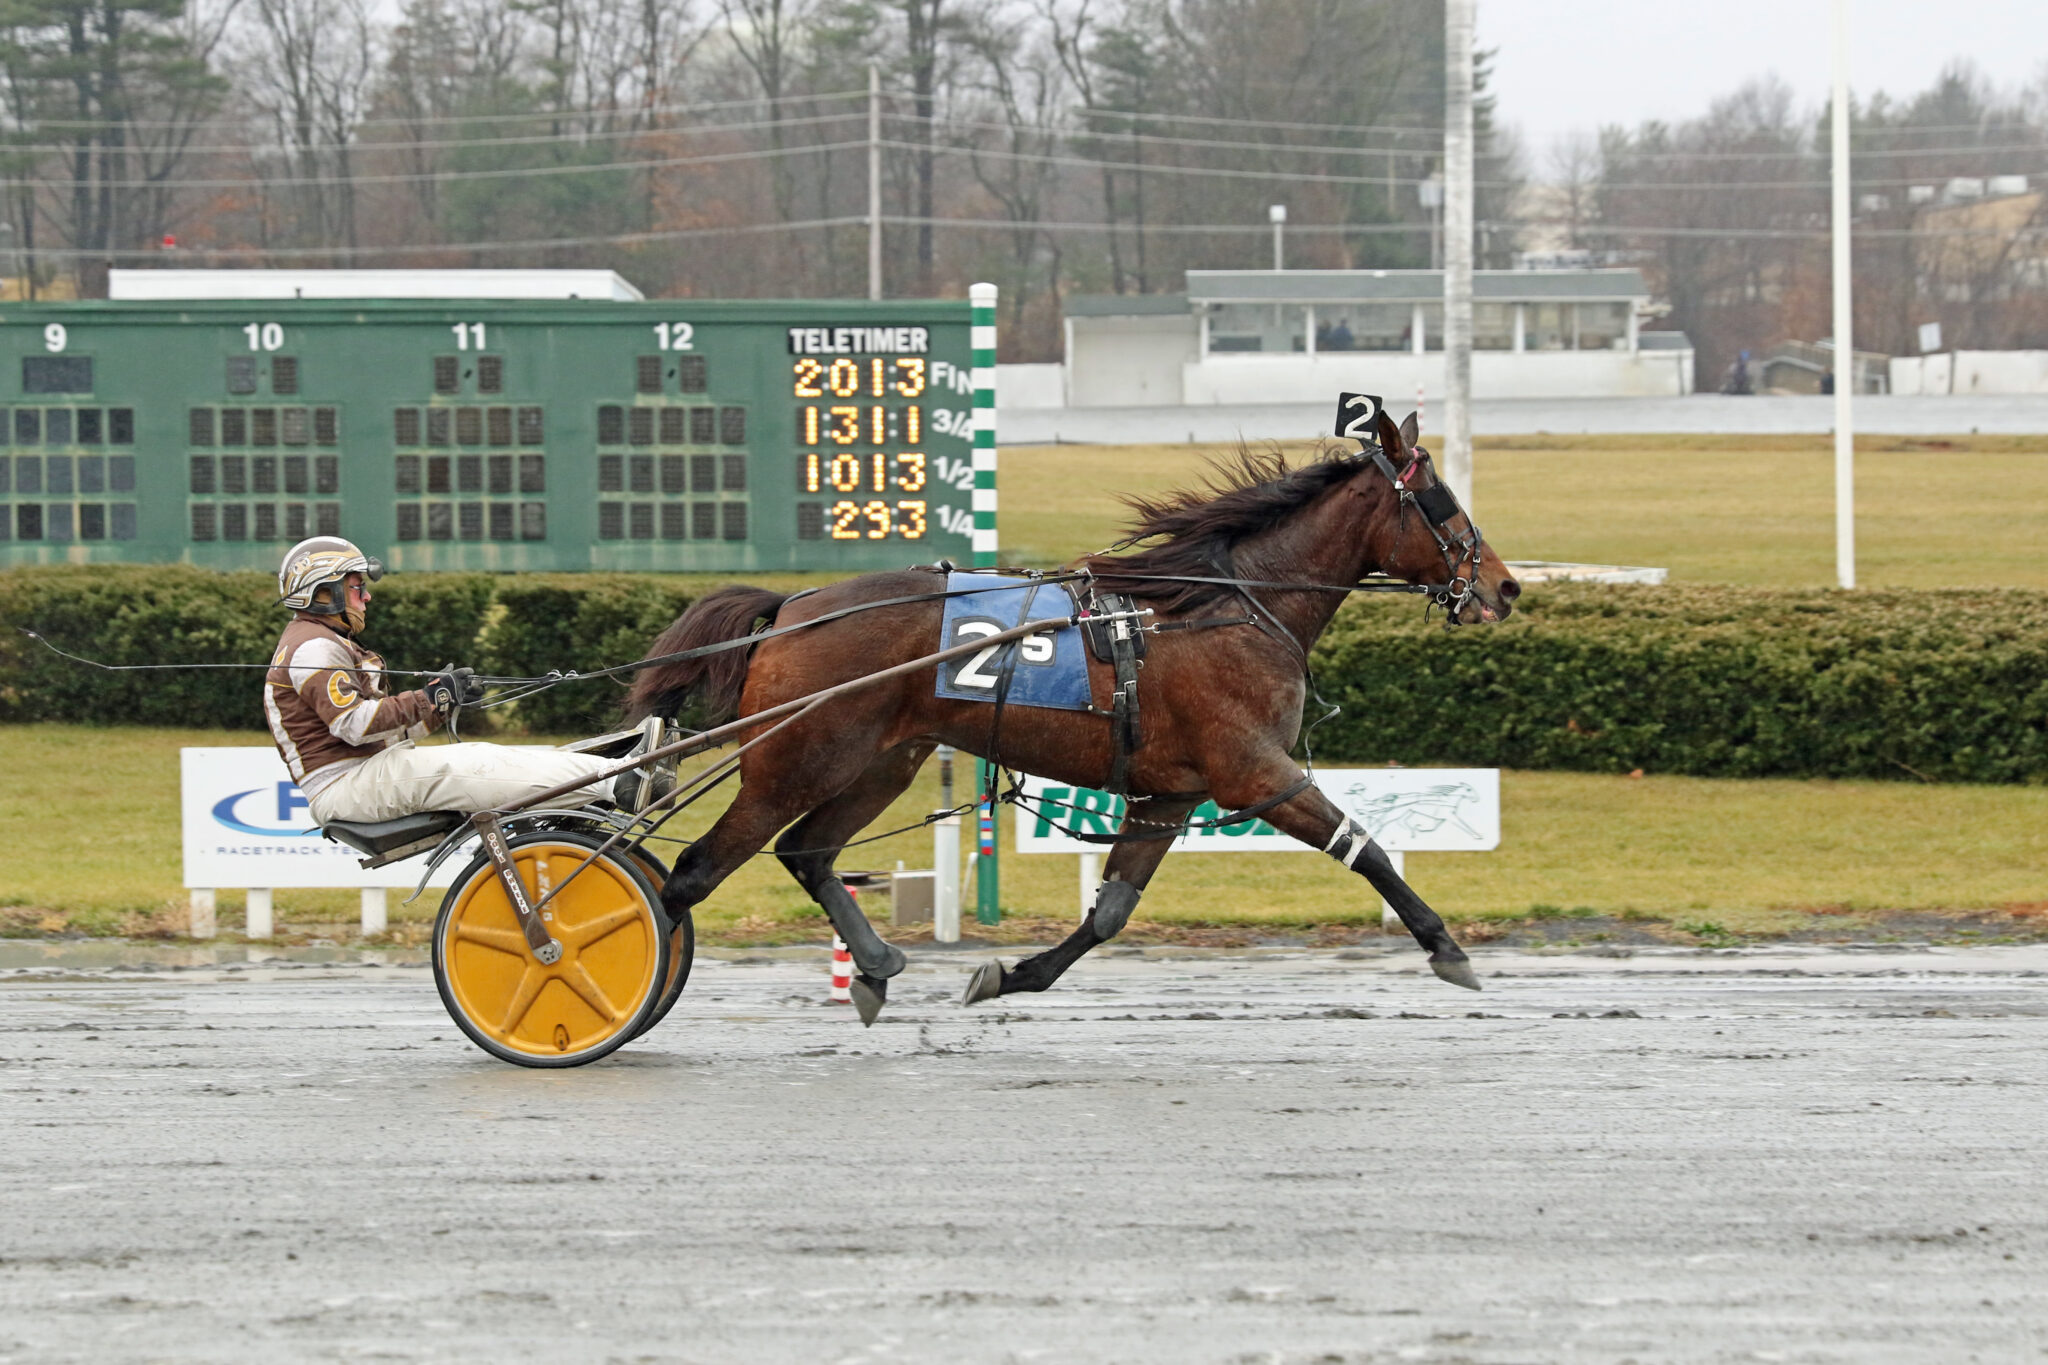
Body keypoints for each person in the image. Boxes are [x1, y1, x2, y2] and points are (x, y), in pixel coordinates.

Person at [265, 536, 673, 827]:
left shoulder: (321, 642)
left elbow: (385, 732)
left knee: (488, 757)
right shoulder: (312, 648)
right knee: (468, 765)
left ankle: (618, 770)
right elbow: (354, 726)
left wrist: (440, 705)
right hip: (345, 784)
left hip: (362, 771)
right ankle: (618, 782)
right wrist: (428, 697)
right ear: (323, 594)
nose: (366, 597)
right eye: (357, 587)